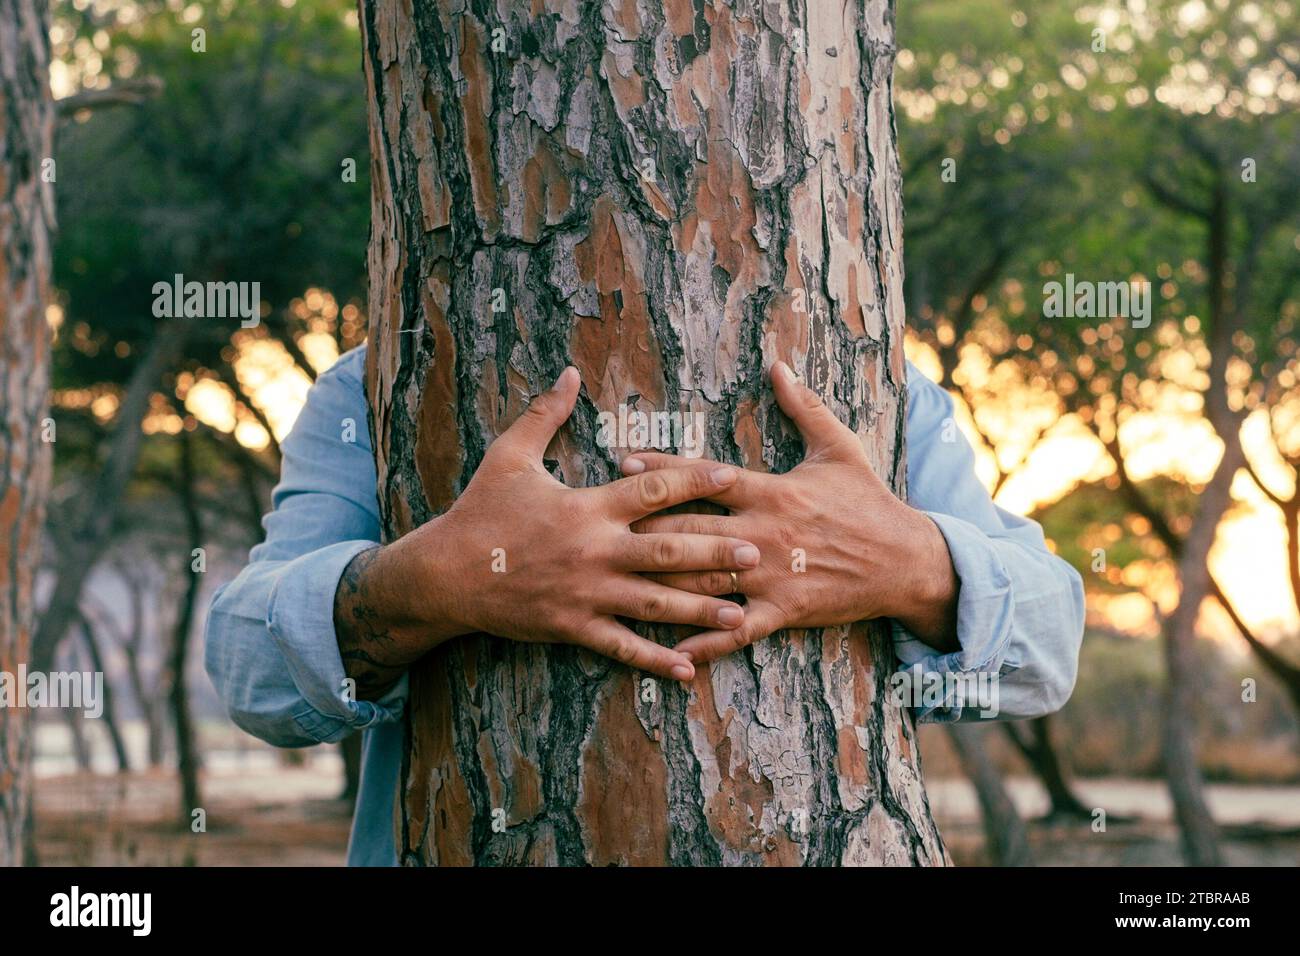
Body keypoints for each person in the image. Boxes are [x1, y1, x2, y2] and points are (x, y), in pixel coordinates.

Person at [205, 345, 1084, 865]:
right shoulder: (377, 385)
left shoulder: (884, 391)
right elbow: (251, 676)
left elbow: (1049, 649)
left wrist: (911, 564)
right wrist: (441, 581)